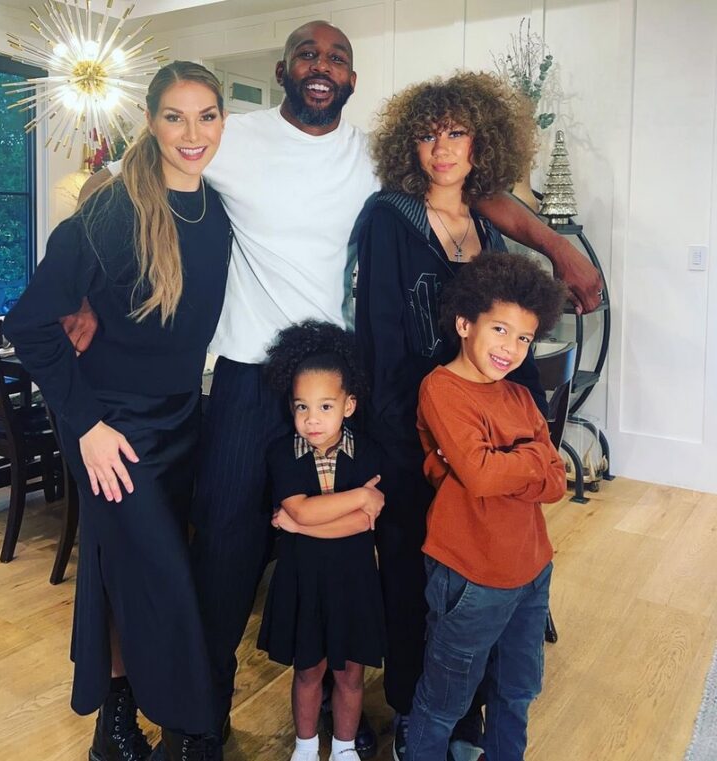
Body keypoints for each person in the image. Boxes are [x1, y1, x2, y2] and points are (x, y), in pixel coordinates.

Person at [71, 20, 603, 755]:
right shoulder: (238, 138)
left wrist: (555, 246)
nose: (322, 67)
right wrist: (84, 292)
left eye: (338, 58)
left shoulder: (372, 161)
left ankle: (343, 708)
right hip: (248, 377)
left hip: (333, 386)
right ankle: (200, 718)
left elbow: (472, 195)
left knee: (345, 552)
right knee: (223, 551)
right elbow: (127, 177)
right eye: (308, 55)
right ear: (285, 69)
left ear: (352, 80)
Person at [3, 61, 231, 761]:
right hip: (113, 431)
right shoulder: (111, 211)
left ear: (223, 122)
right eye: (174, 116)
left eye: (207, 116)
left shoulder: (219, 207)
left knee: (125, 571)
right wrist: (87, 426)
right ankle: (192, 729)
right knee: (161, 576)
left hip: (181, 419)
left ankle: (117, 725)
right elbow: (30, 323)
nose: (192, 133)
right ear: (149, 122)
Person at [355, 72, 552, 759]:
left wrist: (528, 435)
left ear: (481, 143)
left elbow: (510, 342)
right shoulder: (390, 217)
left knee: (479, 585)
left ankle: (468, 715)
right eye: (429, 133)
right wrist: (395, 449)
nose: (442, 147)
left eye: (456, 132)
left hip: (485, 437)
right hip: (416, 437)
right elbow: (378, 336)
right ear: (411, 144)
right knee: (415, 581)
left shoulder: (487, 225)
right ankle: (415, 713)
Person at [406, 251, 567, 760]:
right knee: (443, 702)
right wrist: (530, 461)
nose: (512, 348)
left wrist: (508, 465)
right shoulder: (441, 389)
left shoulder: (519, 398)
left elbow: (558, 480)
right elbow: (478, 473)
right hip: (470, 575)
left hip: (532, 568)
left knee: (516, 692)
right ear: (464, 323)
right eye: (500, 330)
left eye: (524, 338)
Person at [258, 320, 387, 761]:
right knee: (308, 670)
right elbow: (304, 508)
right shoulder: (283, 453)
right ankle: (306, 746)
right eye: (301, 407)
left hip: (354, 581)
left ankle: (346, 747)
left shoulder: (368, 452)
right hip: (304, 581)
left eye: (325, 406)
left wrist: (300, 527)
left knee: (351, 674)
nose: (312, 420)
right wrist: (359, 497)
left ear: (348, 405)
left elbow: (361, 525)